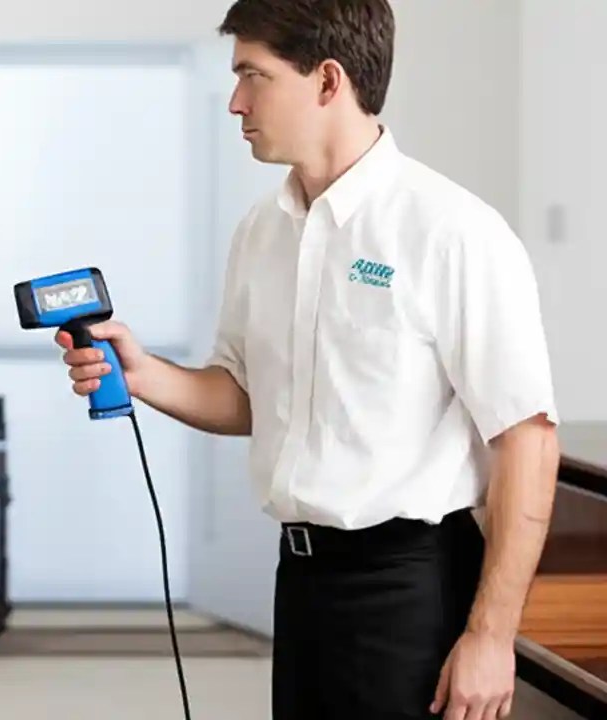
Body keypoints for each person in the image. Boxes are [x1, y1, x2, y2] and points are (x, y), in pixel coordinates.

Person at [55, 1, 561, 718]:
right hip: (301, 583)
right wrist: (144, 374)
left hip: (409, 586)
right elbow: (245, 398)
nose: (235, 102)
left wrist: (490, 636)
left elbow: (528, 440)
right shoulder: (264, 230)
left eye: (252, 77)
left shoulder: (452, 232)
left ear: (328, 81)